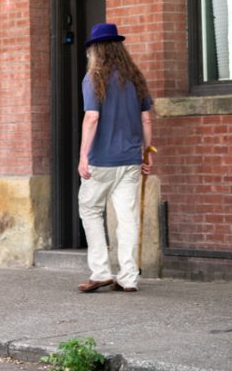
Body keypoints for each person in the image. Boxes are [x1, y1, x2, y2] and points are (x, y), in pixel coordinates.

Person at [76, 22, 153, 293]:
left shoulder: (93, 78)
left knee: (90, 209)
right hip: (131, 160)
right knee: (127, 218)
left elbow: (92, 117)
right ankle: (128, 277)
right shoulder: (136, 77)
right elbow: (145, 119)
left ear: (96, 49)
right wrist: (147, 151)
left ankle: (101, 272)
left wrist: (83, 156)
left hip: (102, 161)